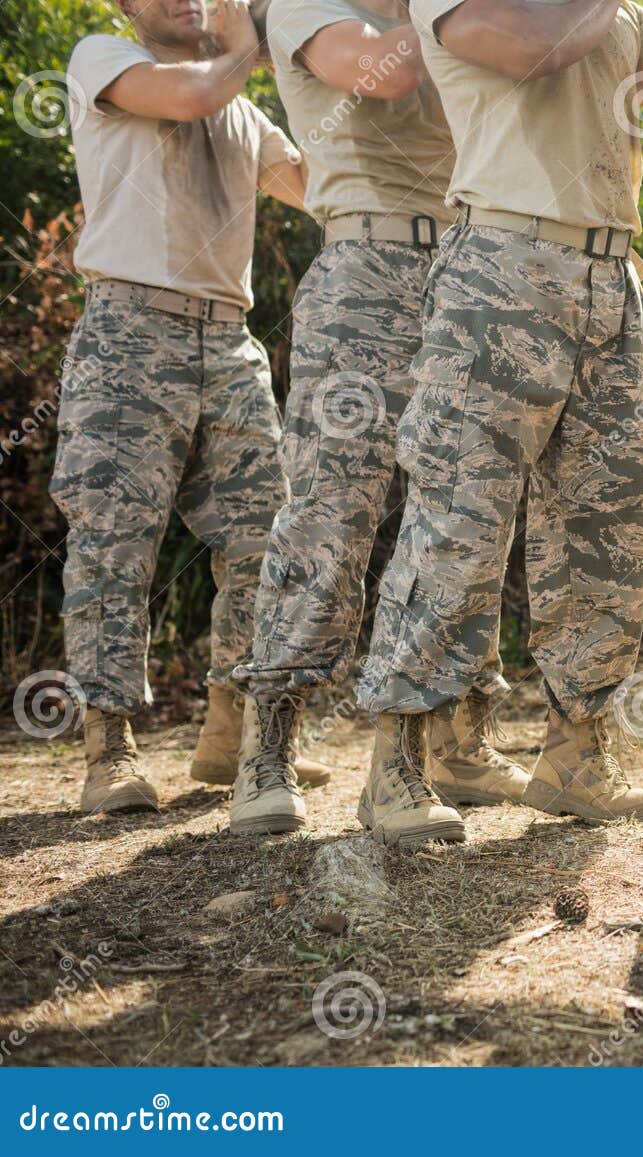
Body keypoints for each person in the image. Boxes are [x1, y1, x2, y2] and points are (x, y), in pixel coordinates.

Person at [352, 0, 643, 848]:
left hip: (611, 273)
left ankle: (576, 756)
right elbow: (531, 49)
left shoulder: (618, 17)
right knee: (459, 522)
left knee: (607, 527)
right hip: (500, 269)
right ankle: (399, 760)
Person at [226, 0, 523, 837]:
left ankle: (439, 750)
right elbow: (376, 70)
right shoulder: (305, 6)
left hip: (473, 262)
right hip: (365, 268)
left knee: (465, 512)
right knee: (330, 512)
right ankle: (267, 752)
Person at [54, 0, 306, 815]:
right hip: (129, 331)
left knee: (264, 539)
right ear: (125, 5)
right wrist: (244, 47)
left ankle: (230, 729)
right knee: (113, 545)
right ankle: (110, 749)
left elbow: (312, 186)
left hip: (227, 339)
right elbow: (192, 92)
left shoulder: (242, 108)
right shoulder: (104, 58)